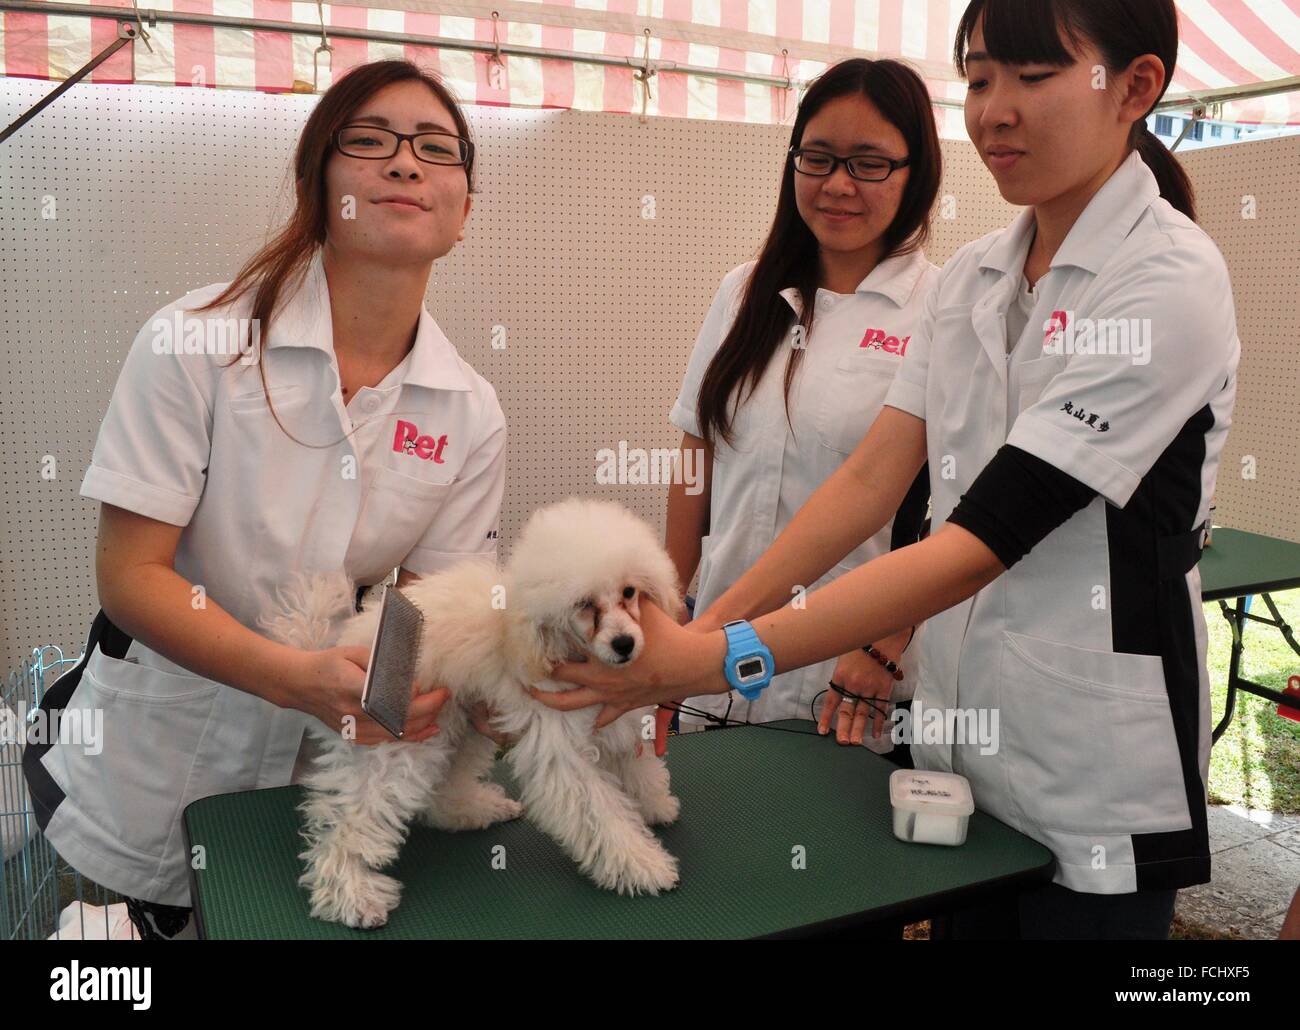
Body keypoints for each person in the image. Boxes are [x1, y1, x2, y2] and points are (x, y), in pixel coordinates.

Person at [537, 0, 1239, 940]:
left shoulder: (1170, 280)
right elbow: (871, 479)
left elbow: (984, 537)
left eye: (1033, 78)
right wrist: (709, 626)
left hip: (1091, 761)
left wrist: (713, 657)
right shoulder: (977, 277)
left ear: (1137, 87)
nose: (995, 110)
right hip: (953, 744)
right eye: (981, 78)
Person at [24, 60, 504, 939]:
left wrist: (436, 698)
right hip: (160, 750)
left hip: (316, 765)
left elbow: (427, 607)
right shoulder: (194, 342)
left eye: (436, 149)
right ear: (316, 184)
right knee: (137, 941)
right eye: (370, 142)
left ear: (464, 208)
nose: (405, 164)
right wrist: (296, 682)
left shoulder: (469, 409)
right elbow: (131, 576)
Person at [664, 58, 940, 753]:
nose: (838, 184)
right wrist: (666, 610)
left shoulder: (942, 308)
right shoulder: (743, 292)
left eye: (869, 163)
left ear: (916, 173)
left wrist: (885, 642)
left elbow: (955, 507)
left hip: (850, 675)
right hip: (715, 653)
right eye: (817, 158)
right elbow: (696, 452)